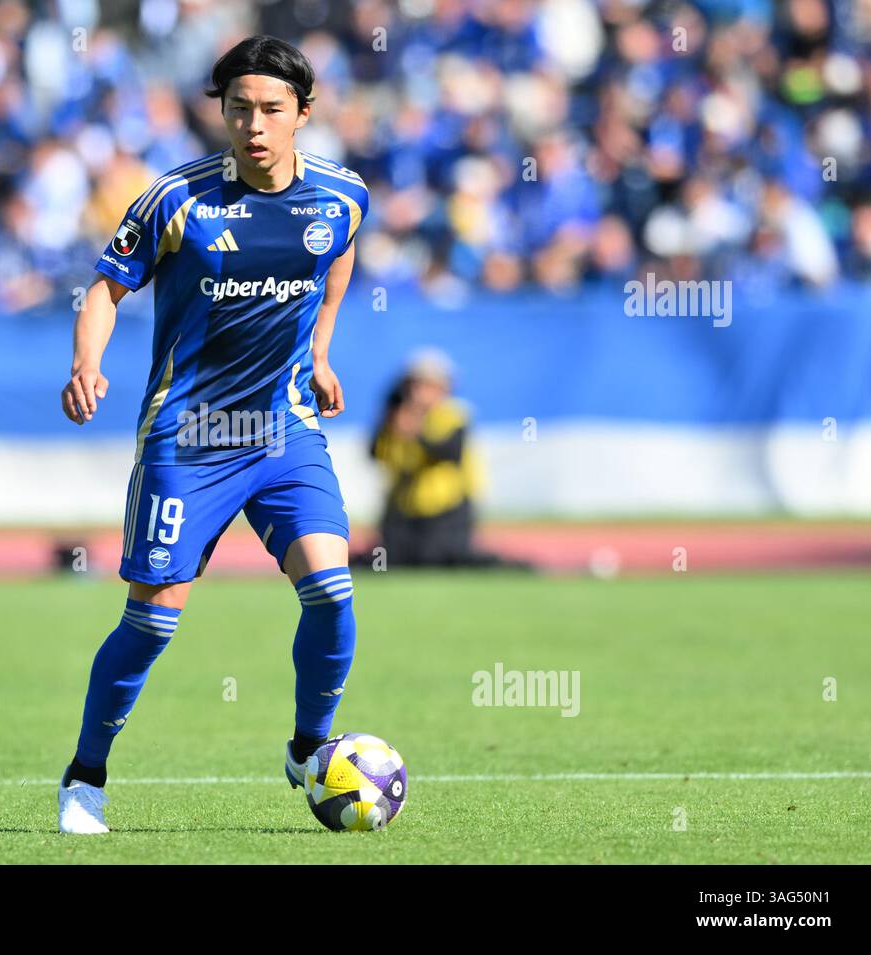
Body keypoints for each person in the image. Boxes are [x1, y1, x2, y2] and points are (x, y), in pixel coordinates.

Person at [56, 35, 369, 834]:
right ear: (221, 113)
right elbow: (104, 285)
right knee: (153, 620)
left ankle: (307, 749)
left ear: (302, 112)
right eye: (239, 109)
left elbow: (338, 259)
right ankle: (85, 776)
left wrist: (322, 351)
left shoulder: (341, 197)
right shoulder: (177, 199)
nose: (254, 125)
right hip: (188, 437)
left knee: (333, 595)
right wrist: (87, 363)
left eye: (271, 109)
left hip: (284, 430)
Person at [370, 348, 531, 570]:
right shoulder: (395, 418)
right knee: (392, 561)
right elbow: (376, 454)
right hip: (403, 509)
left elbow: (450, 453)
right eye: (414, 385)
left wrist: (416, 432)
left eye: (427, 386)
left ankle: (514, 566)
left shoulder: (453, 416)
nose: (418, 393)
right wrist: (389, 424)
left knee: (441, 560)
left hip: (447, 509)